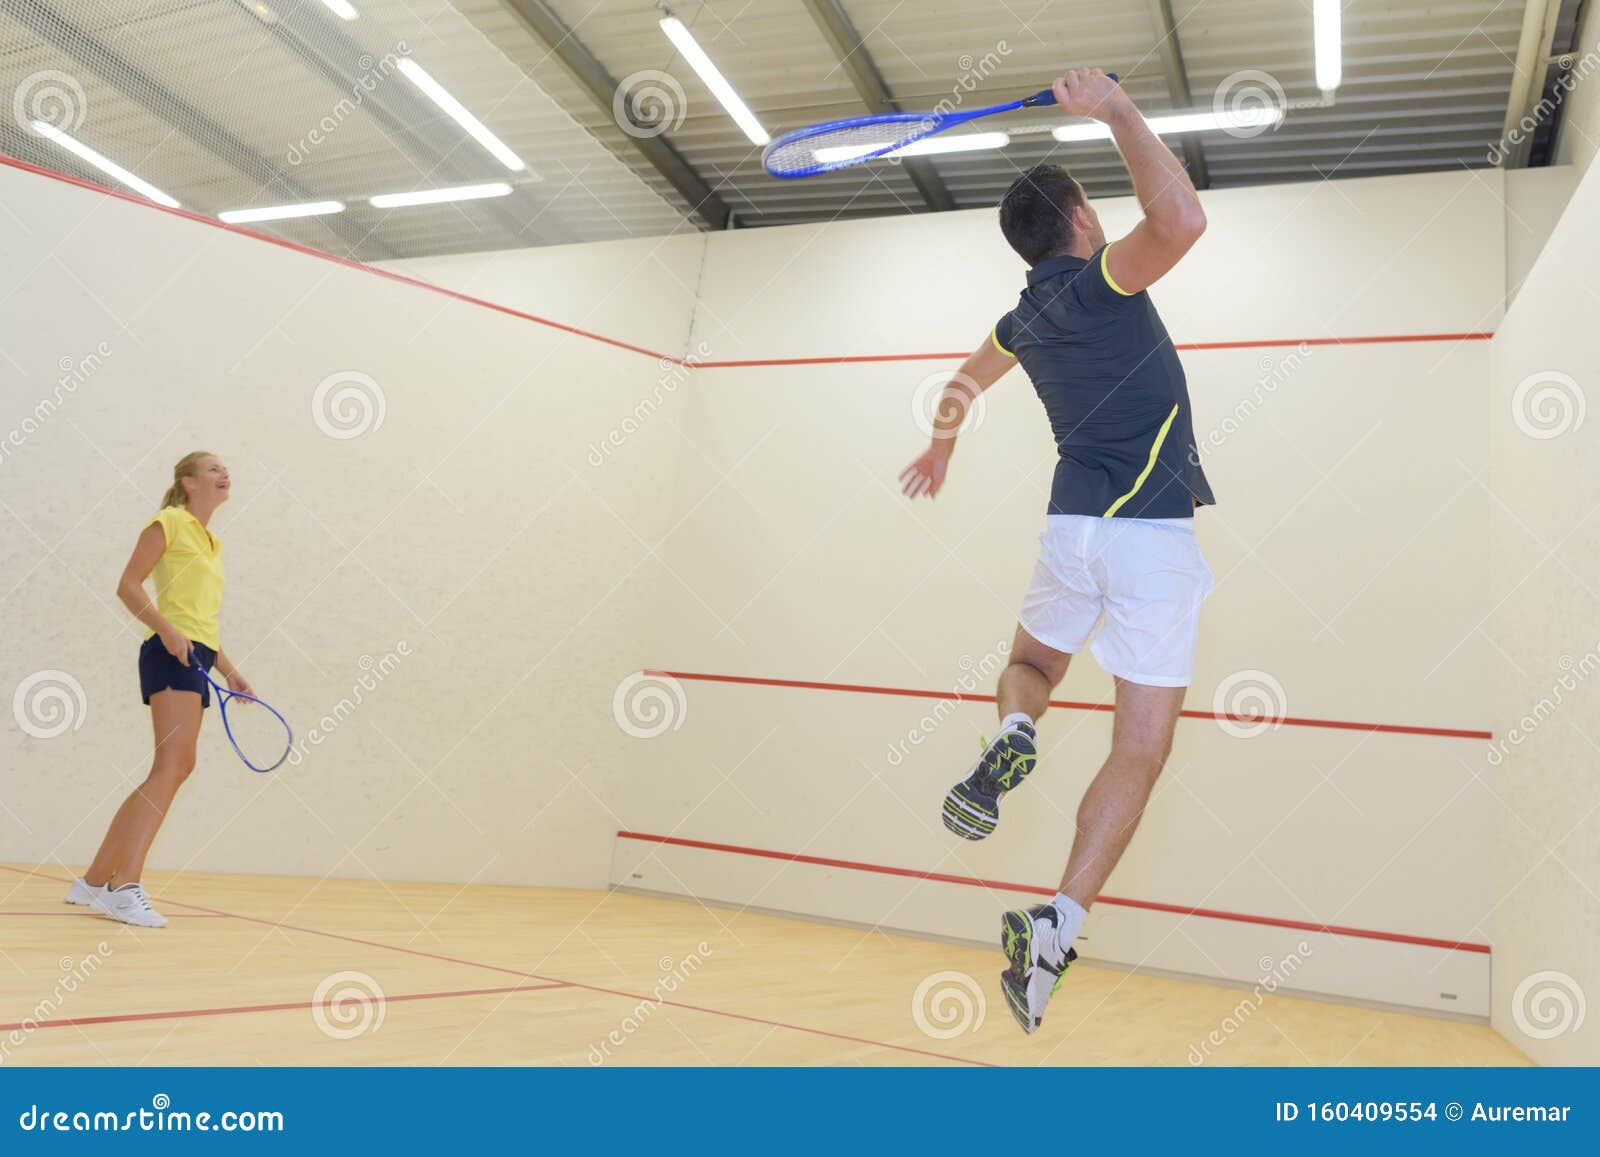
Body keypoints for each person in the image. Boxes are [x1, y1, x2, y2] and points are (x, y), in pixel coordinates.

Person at [899, 69, 1215, 1033]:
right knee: (1141, 744)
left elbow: (962, 378)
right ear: (1080, 217)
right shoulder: (1103, 281)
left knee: (1033, 664)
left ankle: (1013, 733)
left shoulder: (1025, 316)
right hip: (1148, 536)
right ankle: (1058, 921)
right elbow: (1182, 225)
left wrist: (941, 443)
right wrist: (1117, 111)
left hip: (1068, 529)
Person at [66, 451, 255, 928]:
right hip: (170, 652)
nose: (223, 473)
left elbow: (200, 617)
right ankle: (123, 887)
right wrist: (167, 631)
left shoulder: (211, 541)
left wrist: (229, 668)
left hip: (198, 654)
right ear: (188, 483)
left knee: (172, 767)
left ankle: (92, 882)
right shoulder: (168, 521)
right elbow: (128, 585)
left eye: (224, 469)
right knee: (174, 765)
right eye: (212, 468)